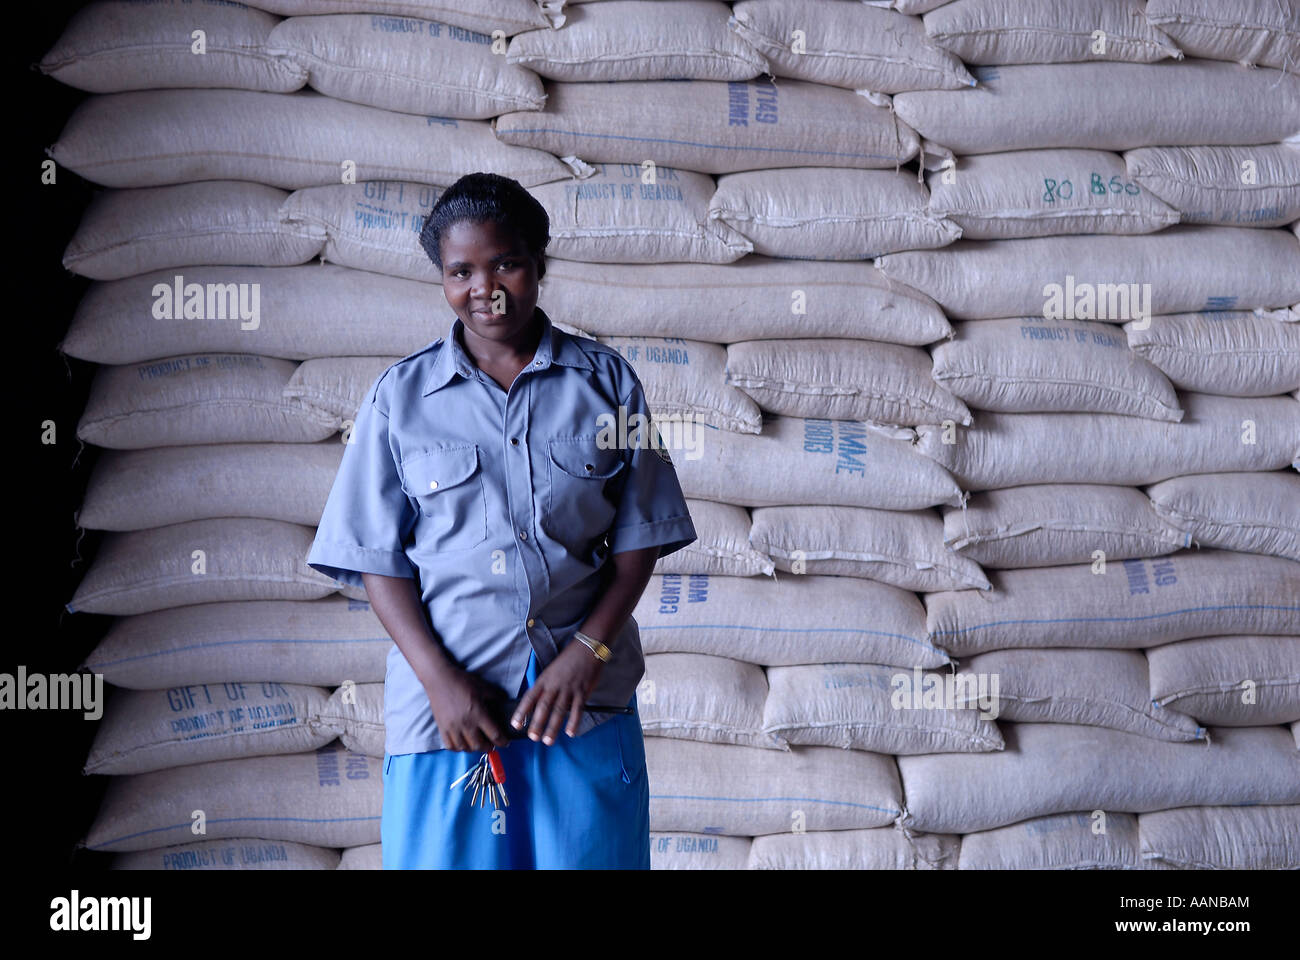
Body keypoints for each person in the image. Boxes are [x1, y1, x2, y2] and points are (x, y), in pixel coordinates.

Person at [305, 171, 697, 869]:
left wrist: (588, 655)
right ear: (442, 279)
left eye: (506, 262)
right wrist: (440, 683)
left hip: (582, 708)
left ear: (539, 264)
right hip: (450, 721)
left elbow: (639, 541)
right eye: (461, 271)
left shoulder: (605, 383)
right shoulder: (401, 398)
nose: (485, 288)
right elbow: (375, 558)